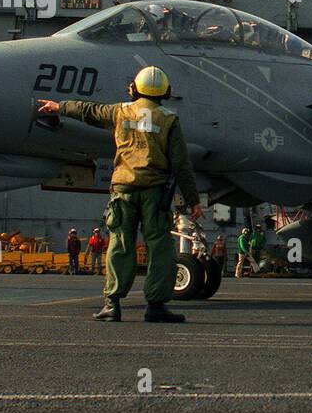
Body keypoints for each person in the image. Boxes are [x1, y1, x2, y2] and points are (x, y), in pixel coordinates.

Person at [37, 65, 203, 323]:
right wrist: (193, 200)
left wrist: (60, 107)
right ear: (165, 92)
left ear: (134, 88)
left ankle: (112, 305)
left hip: (123, 190)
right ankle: (156, 306)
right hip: (155, 193)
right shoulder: (169, 120)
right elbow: (181, 164)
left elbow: (88, 111)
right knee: (159, 247)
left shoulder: (120, 111)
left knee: (120, 244)